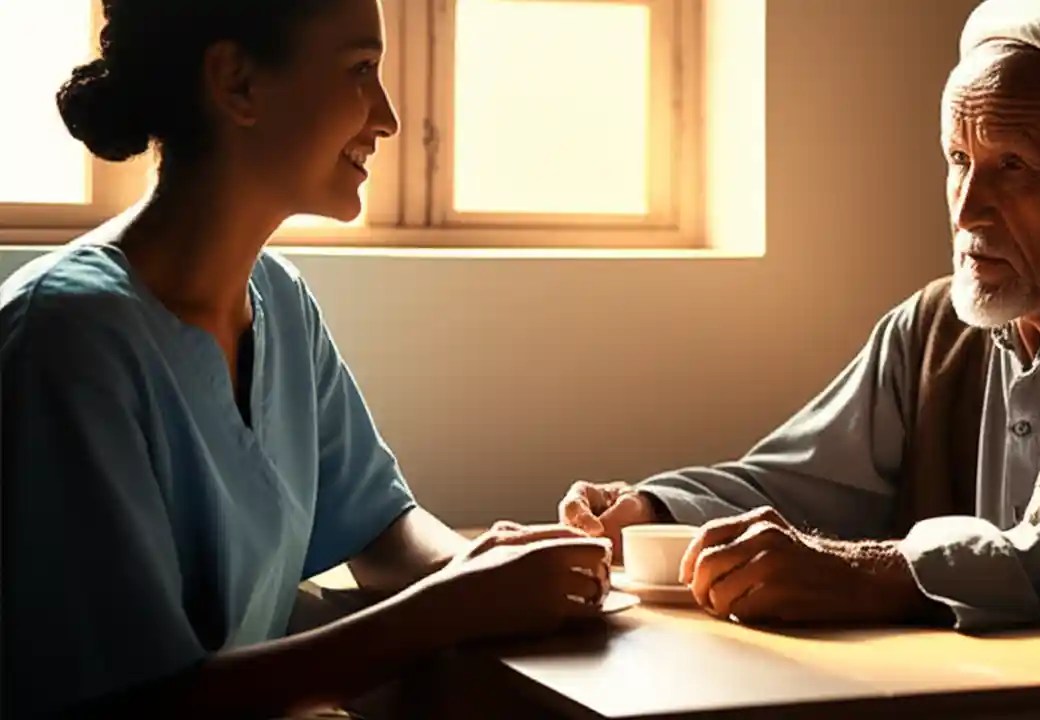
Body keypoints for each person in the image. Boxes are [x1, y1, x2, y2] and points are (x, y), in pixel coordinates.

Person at [558, 0, 1040, 716]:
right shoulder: (931, 329)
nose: (967, 209)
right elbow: (802, 480)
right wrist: (649, 509)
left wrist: (887, 573)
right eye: (959, 161)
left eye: (1013, 166)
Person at [0, 1, 610, 717]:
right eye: (360, 70)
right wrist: (448, 608)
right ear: (238, 83)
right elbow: (139, 701)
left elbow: (380, 529)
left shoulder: (279, 302)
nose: (386, 117)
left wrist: (484, 564)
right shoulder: (68, 338)